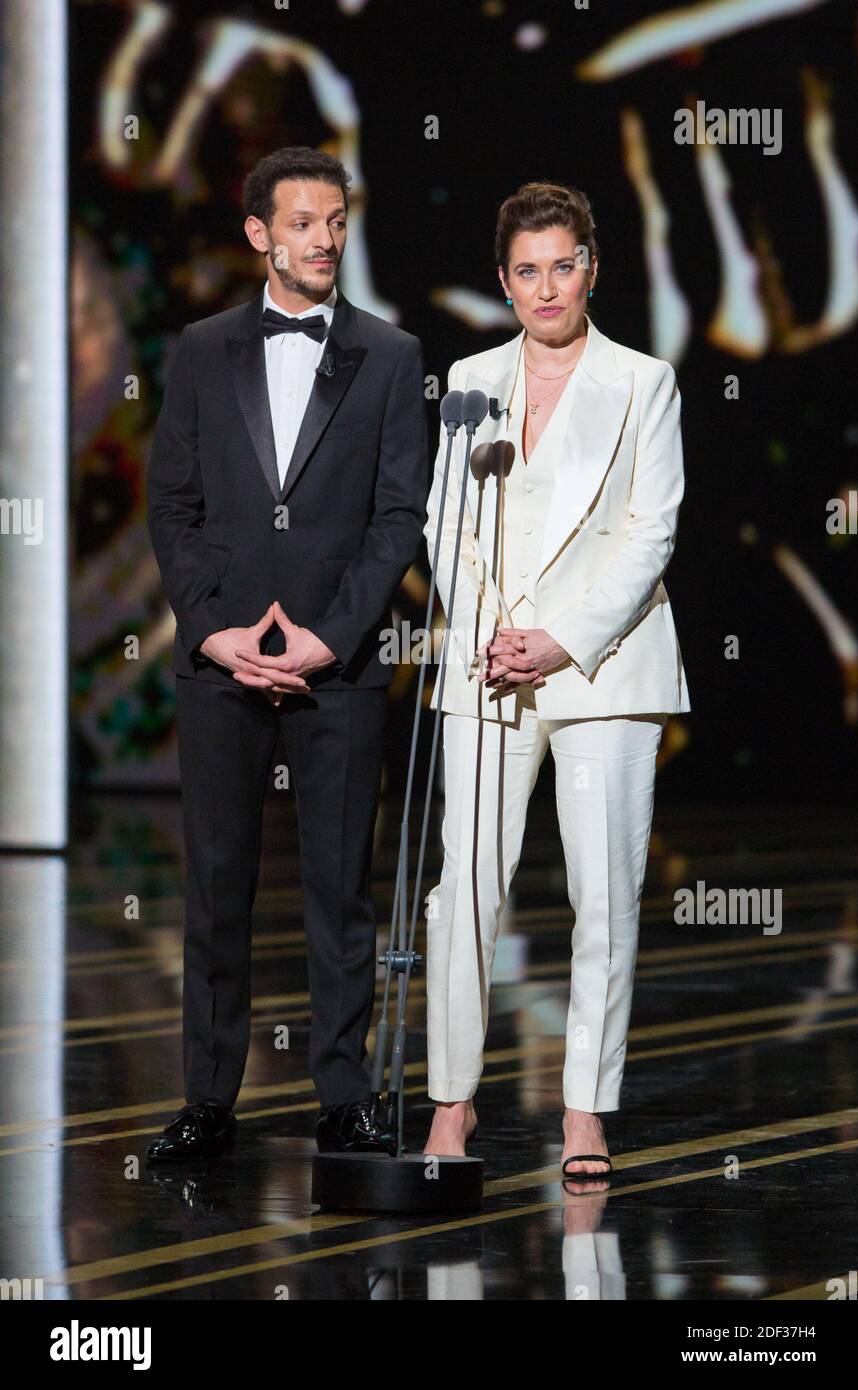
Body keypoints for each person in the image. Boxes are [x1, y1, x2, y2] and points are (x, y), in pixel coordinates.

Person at [145, 146, 428, 1162]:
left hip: (336, 662)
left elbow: (398, 517)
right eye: (302, 221)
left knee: (336, 888)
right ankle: (207, 1098)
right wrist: (213, 625)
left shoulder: (393, 357)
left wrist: (331, 634)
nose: (323, 238)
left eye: (336, 219)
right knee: (217, 883)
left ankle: (343, 1093)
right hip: (222, 660)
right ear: (259, 234)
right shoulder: (198, 347)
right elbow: (172, 506)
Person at [423, 182, 690, 1178]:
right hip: (489, 665)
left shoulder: (641, 381)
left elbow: (648, 530)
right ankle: (451, 1102)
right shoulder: (468, 377)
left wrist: (559, 638)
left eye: (562, 264)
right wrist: (493, 629)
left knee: (603, 894)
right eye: (526, 270)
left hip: (604, 668)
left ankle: (584, 1110)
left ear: (591, 266)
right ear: (503, 280)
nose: (546, 285)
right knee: (462, 894)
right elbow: (444, 522)